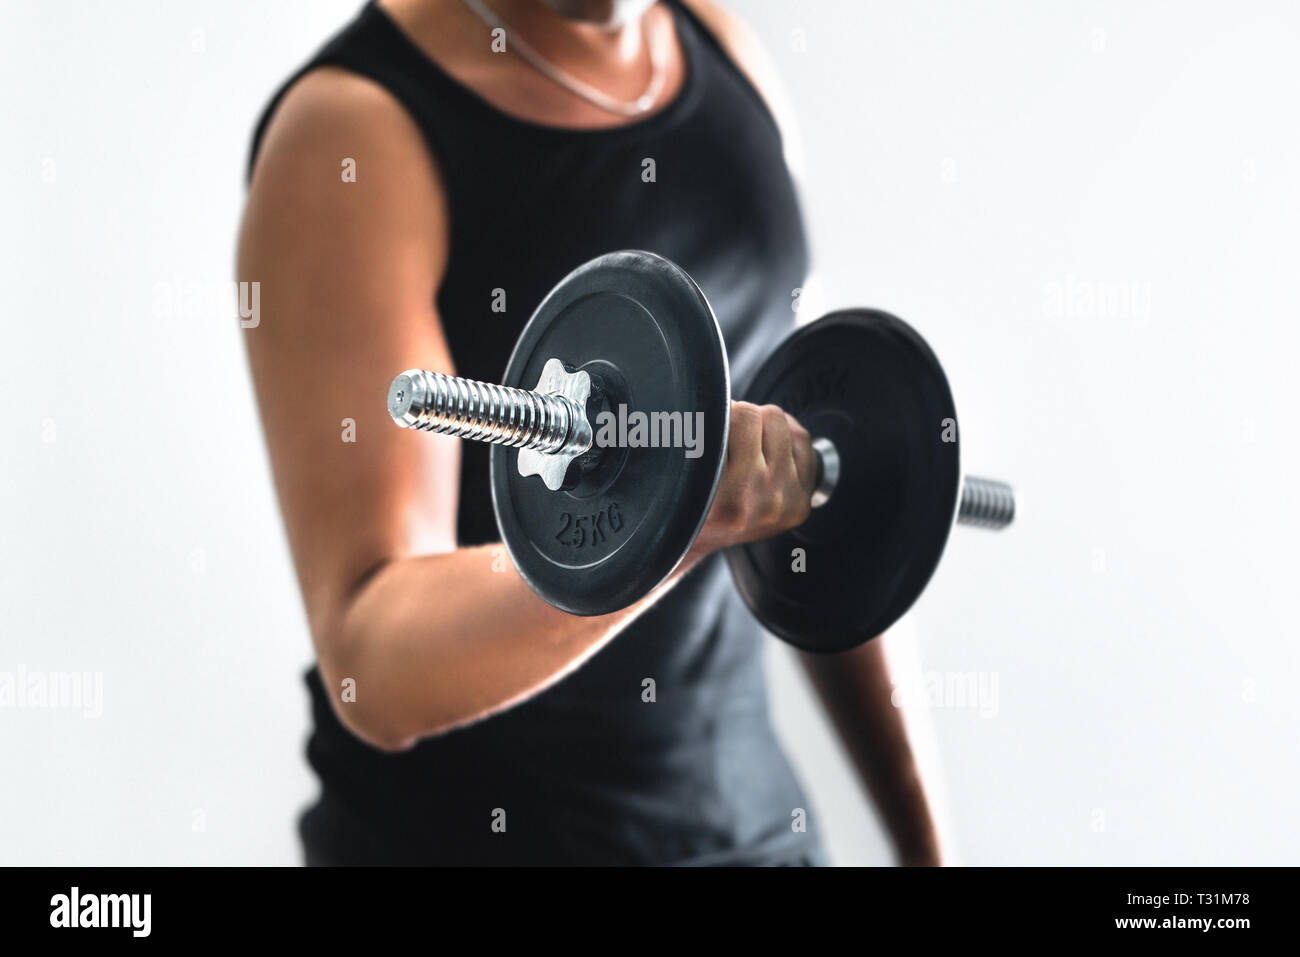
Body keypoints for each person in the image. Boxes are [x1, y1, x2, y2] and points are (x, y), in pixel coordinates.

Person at [238, 0, 944, 865]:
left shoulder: (717, 48)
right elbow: (371, 658)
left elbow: (814, 471)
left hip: (756, 834)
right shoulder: (351, 134)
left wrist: (927, 850)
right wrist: (669, 523)